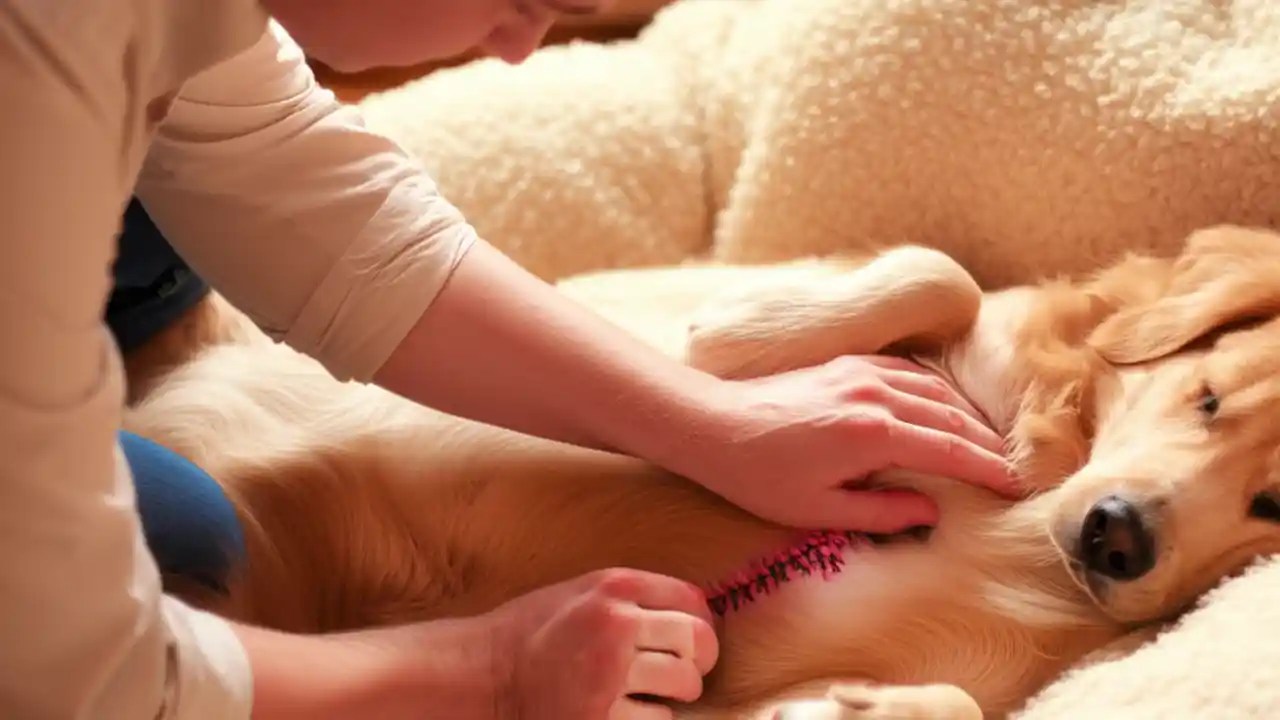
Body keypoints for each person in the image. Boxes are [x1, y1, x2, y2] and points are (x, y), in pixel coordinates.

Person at [0, 1, 1017, 719]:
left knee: (160, 233)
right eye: (529, 0)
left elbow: (292, 189)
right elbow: (85, 673)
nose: (522, 48)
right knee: (185, 545)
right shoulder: (41, 71)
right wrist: (489, 674)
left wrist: (711, 421)